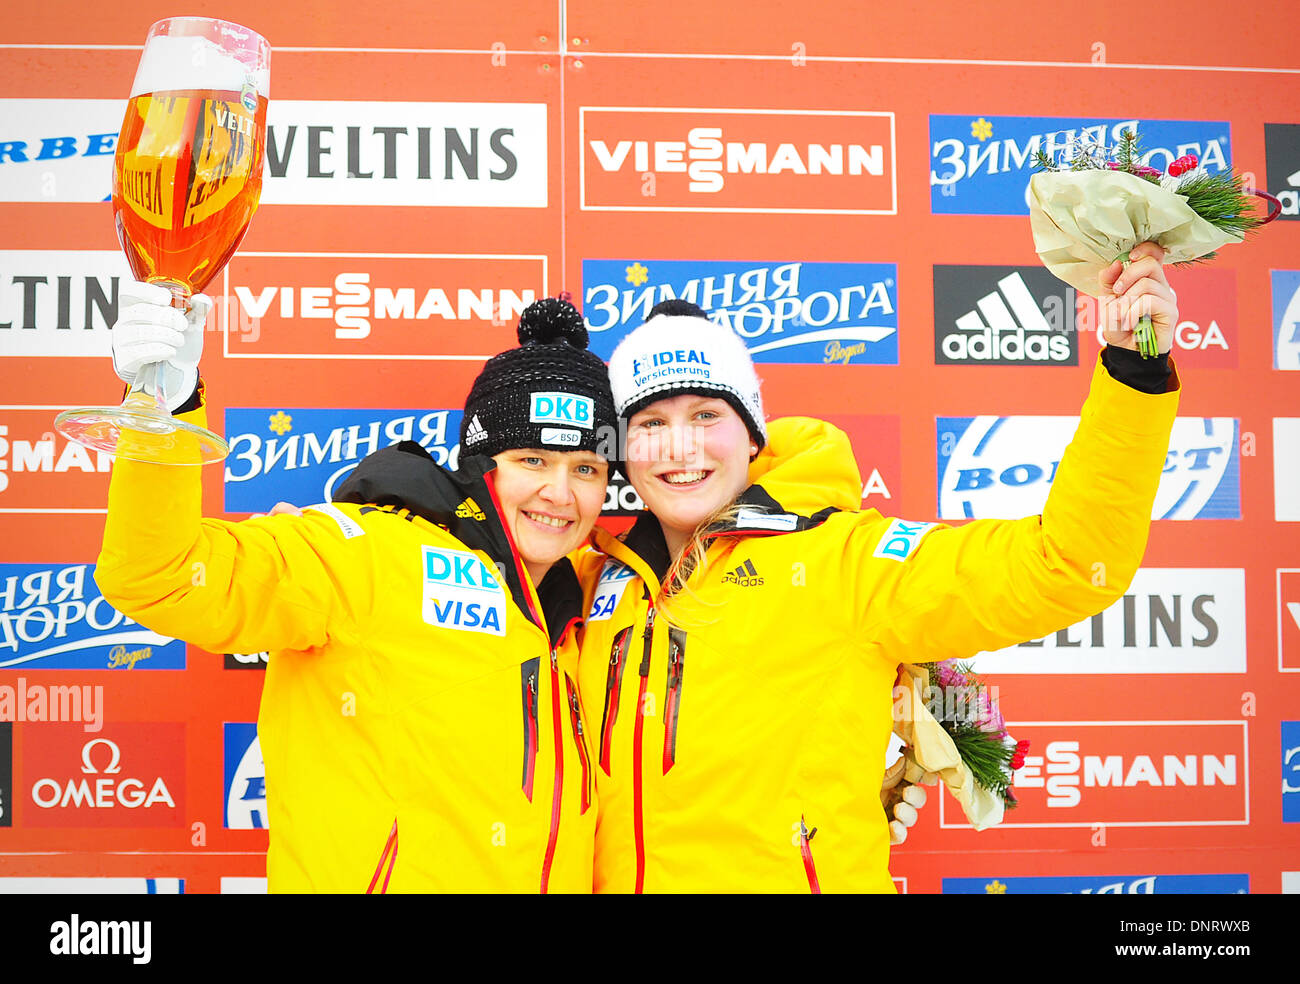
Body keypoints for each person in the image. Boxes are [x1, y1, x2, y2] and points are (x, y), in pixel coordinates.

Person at [572, 242, 1181, 893]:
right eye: (651, 422)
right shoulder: (584, 585)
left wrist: (1133, 371)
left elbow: (1063, 565)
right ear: (623, 449)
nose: (680, 445)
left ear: (752, 435)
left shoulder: (850, 562)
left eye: (706, 415)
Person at [96, 288, 616, 892]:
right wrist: (164, 405)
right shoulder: (363, 552)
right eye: (533, 460)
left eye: (586, 469)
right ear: (480, 464)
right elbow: (160, 574)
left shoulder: (582, 607)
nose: (561, 493)